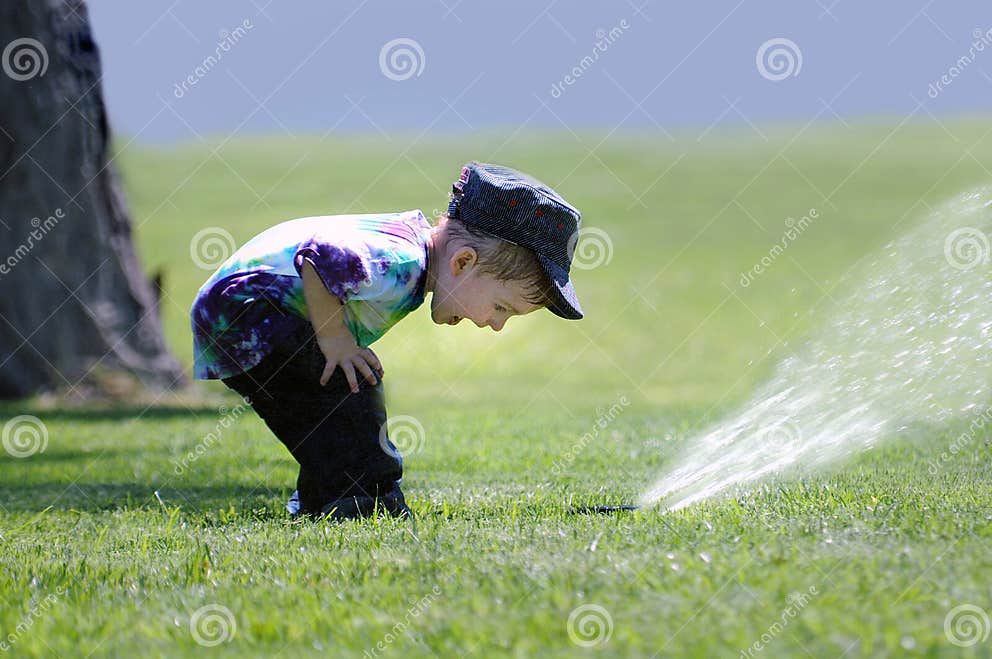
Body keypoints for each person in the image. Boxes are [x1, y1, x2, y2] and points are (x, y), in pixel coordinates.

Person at [189, 161, 584, 519]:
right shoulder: (401, 260)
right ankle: (365, 499)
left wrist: (337, 344)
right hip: (249, 312)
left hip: (252, 312)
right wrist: (335, 341)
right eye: (502, 308)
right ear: (462, 262)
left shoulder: (411, 255)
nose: (496, 325)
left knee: (336, 397)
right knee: (345, 386)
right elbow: (318, 256)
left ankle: (328, 498)